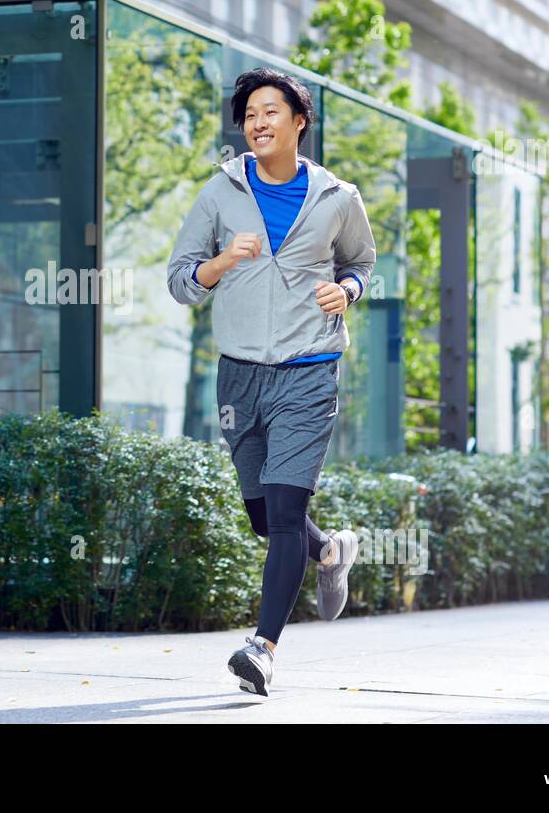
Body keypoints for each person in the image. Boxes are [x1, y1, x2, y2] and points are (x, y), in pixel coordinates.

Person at [166, 67, 377, 697]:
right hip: (239, 375)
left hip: (310, 370)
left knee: (287, 512)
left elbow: (362, 262)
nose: (258, 123)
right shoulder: (220, 193)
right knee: (261, 515)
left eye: (270, 112)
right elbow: (178, 279)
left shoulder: (339, 197)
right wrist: (224, 261)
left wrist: (348, 290)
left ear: (299, 122)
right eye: (250, 115)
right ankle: (332, 554)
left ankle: (262, 650)